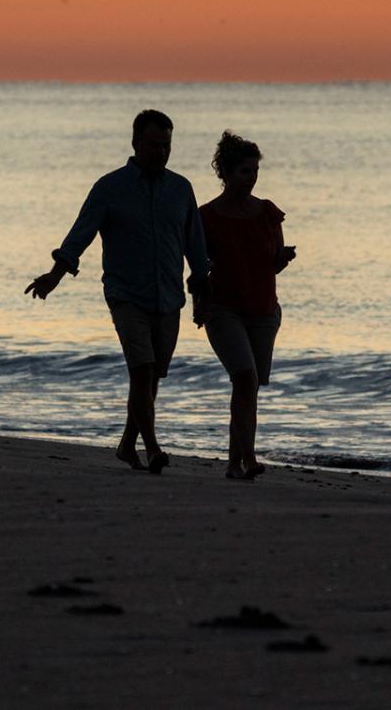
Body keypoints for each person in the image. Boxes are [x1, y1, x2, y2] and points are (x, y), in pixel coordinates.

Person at [25, 110, 210, 474]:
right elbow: (80, 234)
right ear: (135, 143)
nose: (161, 152)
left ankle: (127, 444)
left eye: (166, 145)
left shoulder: (181, 189)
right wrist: (54, 276)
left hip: (169, 297)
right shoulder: (110, 188)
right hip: (126, 295)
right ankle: (154, 449)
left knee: (152, 375)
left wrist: (202, 298)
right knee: (141, 371)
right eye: (154, 145)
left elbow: (197, 250)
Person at [195, 131, 295, 481]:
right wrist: (199, 303)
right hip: (223, 309)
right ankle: (249, 458)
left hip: (264, 310)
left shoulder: (267, 212)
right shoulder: (206, 217)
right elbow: (197, 267)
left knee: (248, 387)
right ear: (224, 172)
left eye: (254, 171)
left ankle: (233, 463)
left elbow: (273, 261)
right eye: (243, 171)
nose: (251, 178)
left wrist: (282, 258)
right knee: (244, 376)